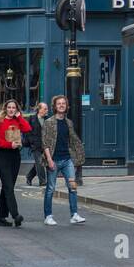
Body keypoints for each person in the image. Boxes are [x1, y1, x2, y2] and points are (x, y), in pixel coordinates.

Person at [41, 95, 86, 226]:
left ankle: (74, 215)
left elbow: (73, 141)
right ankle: (48, 216)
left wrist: (76, 159)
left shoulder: (69, 123)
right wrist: (49, 160)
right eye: (58, 104)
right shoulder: (49, 122)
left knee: (73, 187)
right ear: (54, 106)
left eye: (63, 104)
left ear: (66, 106)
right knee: (50, 189)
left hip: (67, 160)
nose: (61, 105)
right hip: (54, 160)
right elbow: (45, 143)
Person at [0, 99, 31, 227]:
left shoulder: (17, 120)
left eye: (14, 108)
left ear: (17, 109)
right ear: (5, 108)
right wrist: (10, 144)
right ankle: (15, 215)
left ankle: (0, 218)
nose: (11, 110)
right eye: (9, 107)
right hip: (2, 155)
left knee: (7, 187)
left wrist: (20, 117)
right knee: (8, 186)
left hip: (15, 156)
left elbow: (27, 128)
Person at [25, 101, 49, 186]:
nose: (47, 110)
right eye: (45, 109)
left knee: (40, 163)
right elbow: (27, 132)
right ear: (40, 109)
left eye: (47, 109)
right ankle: (43, 181)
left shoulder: (47, 119)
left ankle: (29, 176)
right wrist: (32, 142)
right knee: (40, 162)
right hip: (35, 145)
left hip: (45, 146)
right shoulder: (32, 119)